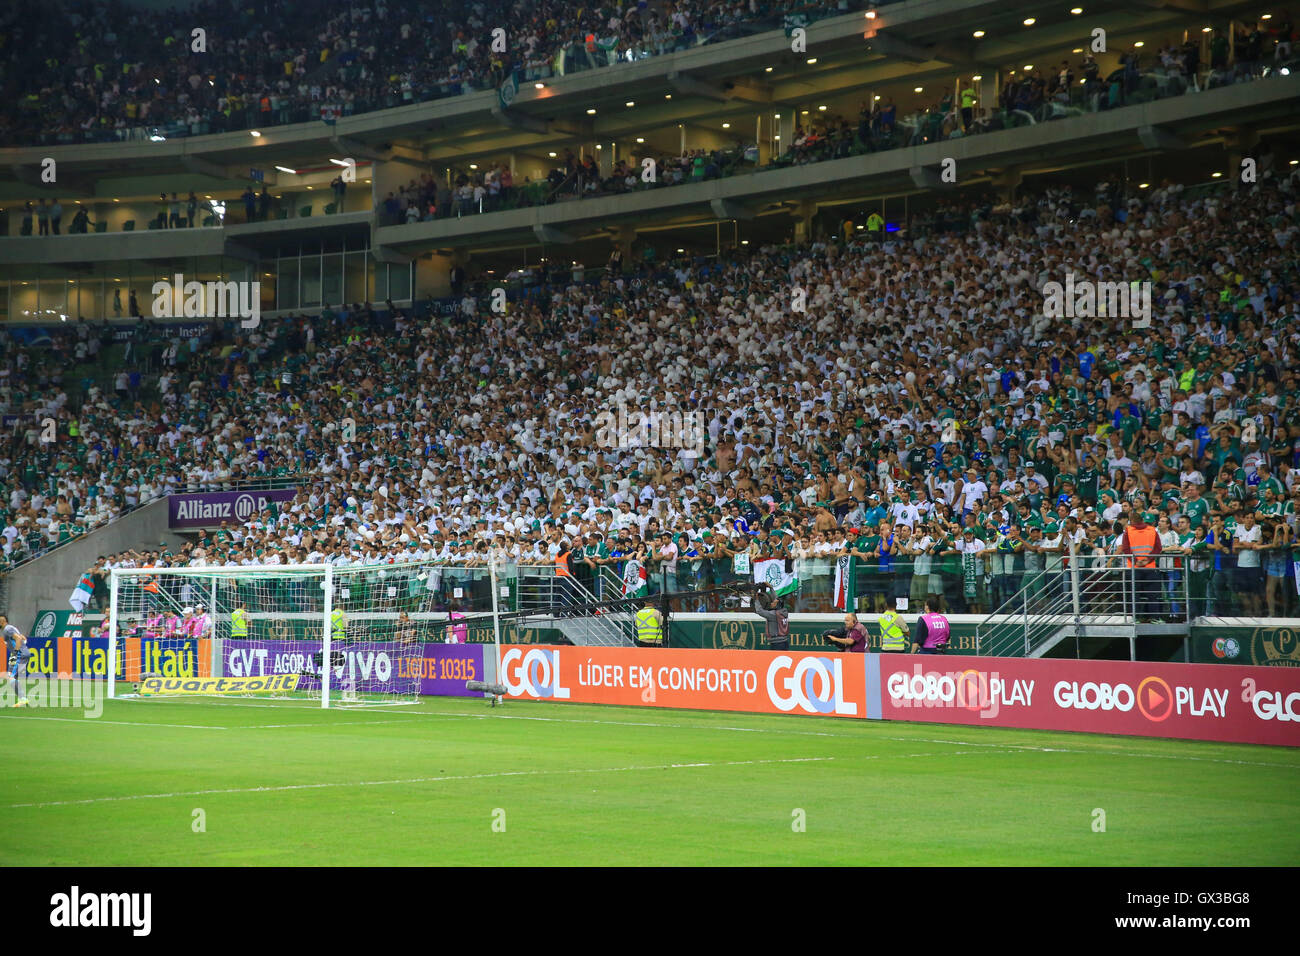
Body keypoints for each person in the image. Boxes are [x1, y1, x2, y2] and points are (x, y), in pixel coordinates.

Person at [0, 615, 31, 706]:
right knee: (12, 675)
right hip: (21, 654)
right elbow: (23, 638)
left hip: (18, 655)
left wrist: (15, 653)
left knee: (11, 676)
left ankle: (23, 699)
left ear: (2, 621)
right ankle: (22, 698)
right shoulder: (11, 628)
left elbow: (18, 638)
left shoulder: (7, 629)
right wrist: (22, 646)